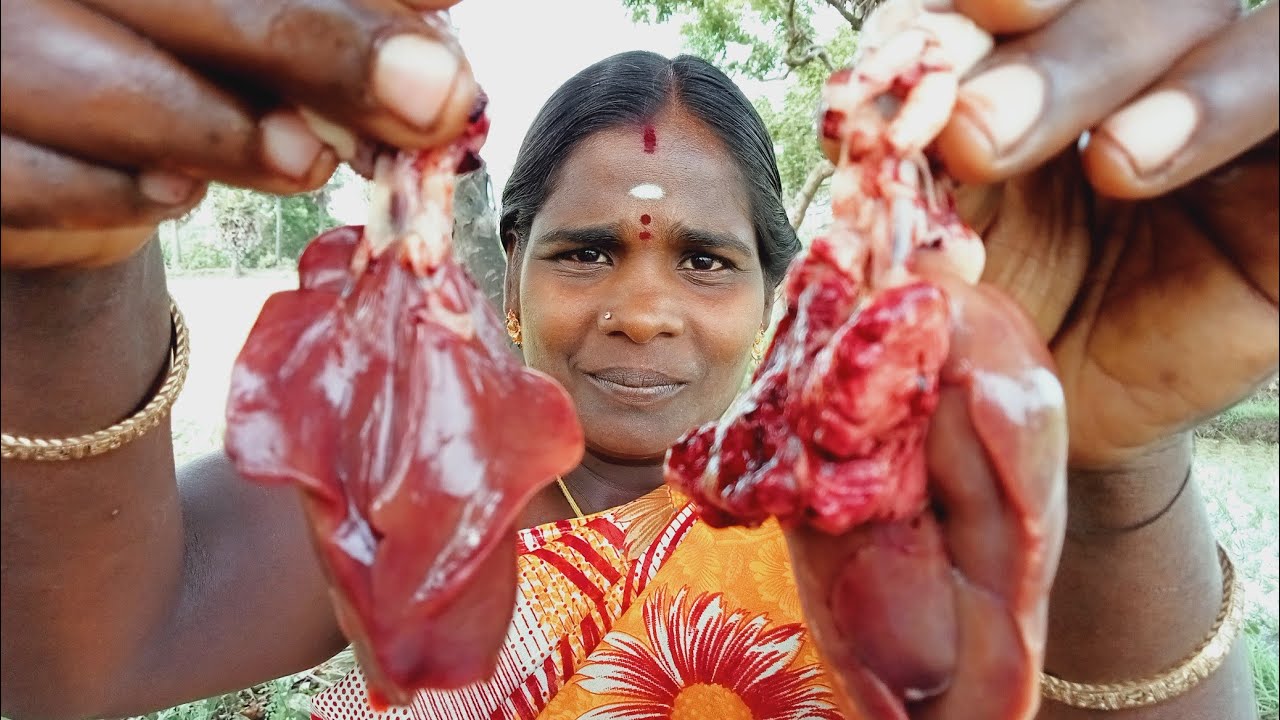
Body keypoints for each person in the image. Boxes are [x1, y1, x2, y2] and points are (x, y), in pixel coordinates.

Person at [0, 0, 1275, 718]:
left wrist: (1106, 460)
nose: (643, 311)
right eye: (588, 252)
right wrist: (66, 264)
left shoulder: (885, 522)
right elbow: (73, 664)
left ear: (784, 292)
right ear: (505, 280)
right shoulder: (409, 499)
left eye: (706, 262)